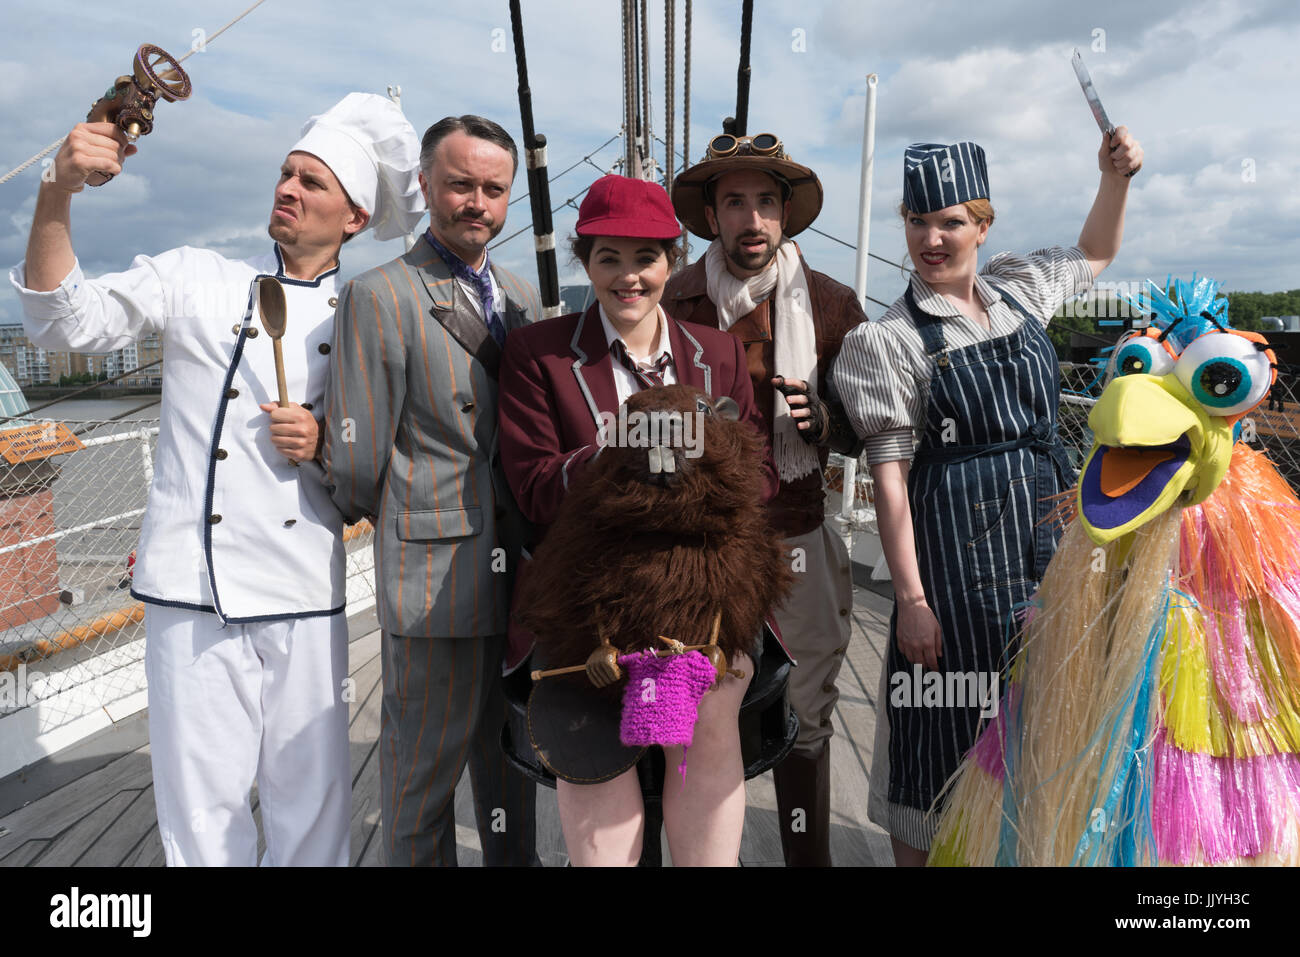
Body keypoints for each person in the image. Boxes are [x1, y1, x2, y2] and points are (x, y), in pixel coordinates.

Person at [10, 93, 425, 865]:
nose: (288, 188)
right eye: (286, 172)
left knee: (314, 809)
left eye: (311, 181)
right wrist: (56, 190)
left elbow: (399, 454)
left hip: (303, 591)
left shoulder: (371, 315)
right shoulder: (196, 276)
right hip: (190, 594)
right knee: (201, 816)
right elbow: (62, 322)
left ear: (356, 218)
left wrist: (327, 443)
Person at [831, 130, 1144, 865]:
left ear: (983, 224)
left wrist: (1114, 179)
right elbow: (889, 478)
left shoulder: (1019, 289)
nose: (930, 238)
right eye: (916, 220)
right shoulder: (890, 340)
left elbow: (1096, 253)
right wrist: (909, 597)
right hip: (953, 561)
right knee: (944, 724)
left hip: (1050, 540)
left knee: (1043, 714)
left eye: (949, 221)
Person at [497, 174, 777, 865]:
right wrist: (633, 448)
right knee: (592, 740)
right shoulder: (539, 354)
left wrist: (684, 464)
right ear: (585, 261)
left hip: (703, 599)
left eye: (646, 258)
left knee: (709, 723)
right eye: (608, 258)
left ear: (671, 258)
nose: (629, 277)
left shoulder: (719, 355)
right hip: (585, 604)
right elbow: (534, 487)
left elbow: (760, 481)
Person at [323, 114, 540, 867]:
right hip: (436, 584)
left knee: (515, 773)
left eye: (493, 188)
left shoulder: (517, 294)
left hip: (519, 579)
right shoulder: (380, 296)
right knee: (421, 784)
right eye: (459, 184)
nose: (476, 202)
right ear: (425, 185)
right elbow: (356, 462)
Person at [665, 132, 867, 865]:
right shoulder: (672, 296)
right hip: (695, 542)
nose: (751, 219)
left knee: (805, 713)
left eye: (765, 203)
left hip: (796, 532)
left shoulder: (832, 304)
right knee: (680, 708)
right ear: (712, 216)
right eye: (735, 202)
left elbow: (868, 424)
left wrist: (827, 419)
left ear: (786, 214)